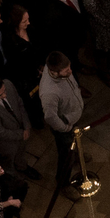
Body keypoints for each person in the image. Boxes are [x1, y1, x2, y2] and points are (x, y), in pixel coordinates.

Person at [41, 51, 84, 186]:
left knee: (74, 144)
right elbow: (50, 117)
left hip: (72, 116)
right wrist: (65, 128)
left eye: (70, 67)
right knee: (66, 156)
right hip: (65, 126)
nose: (70, 72)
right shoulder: (49, 93)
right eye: (66, 70)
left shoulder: (63, 71)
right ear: (54, 72)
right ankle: (63, 183)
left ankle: (77, 155)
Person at [0, 77, 37, 177]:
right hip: (6, 142)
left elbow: (19, 104)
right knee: (8, 161)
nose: (5, 95)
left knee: (20, 153)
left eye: (4, 91)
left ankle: (22, 167)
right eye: (0, 95)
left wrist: (26, 126)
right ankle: (12, 178)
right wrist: (21, 134)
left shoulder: (8, 84)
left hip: (21, 130)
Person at [38, 0, 91, 80]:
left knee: (75, 57)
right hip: (67, 41)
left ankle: (79, 66)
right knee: (69, 62)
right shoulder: (52, 12)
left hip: (80, 31)